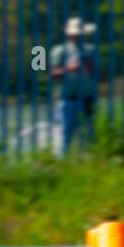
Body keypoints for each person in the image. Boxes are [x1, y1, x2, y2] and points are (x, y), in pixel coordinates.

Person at [50, 17, 98, 153]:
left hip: (88, 100)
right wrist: (69, 69)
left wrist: (91, 68)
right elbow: (52, 75)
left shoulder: (91, 50)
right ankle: (60, 168)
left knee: (89, 142)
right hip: (67, 101)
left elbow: (101, 76)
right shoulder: (59, 51)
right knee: (63, 142)